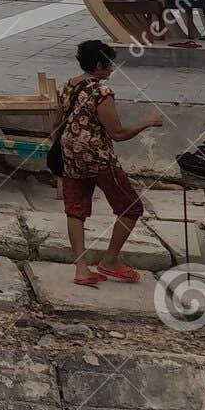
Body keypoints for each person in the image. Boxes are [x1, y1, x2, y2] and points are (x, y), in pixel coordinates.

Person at [56, 40, 161, 286]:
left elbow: (57, 122)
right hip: (99, 158)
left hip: (71, 156)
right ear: (100, 65)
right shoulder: (101, 92)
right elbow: (118, 133)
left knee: (76, 210)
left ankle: (81, 269)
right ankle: (110, 259)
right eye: (110, 64)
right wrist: (147, 123)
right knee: (131, 207)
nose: (112, 69)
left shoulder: (68, 86)